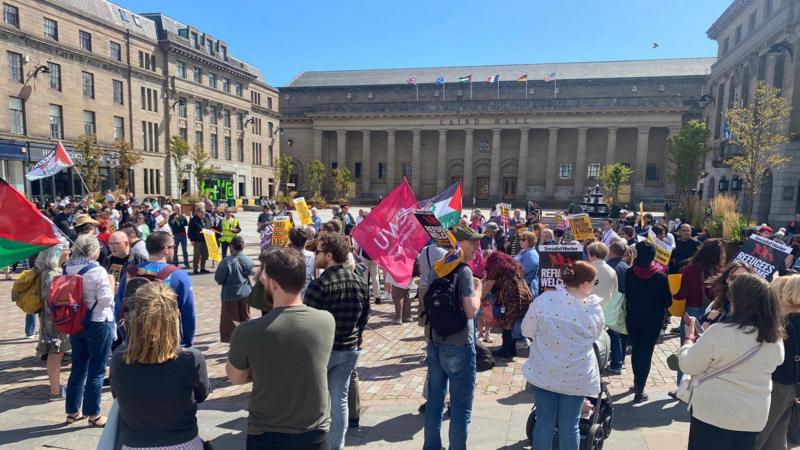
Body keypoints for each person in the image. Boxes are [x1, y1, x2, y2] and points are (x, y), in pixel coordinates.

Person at [227, 247, 335, 450]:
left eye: (264, 277)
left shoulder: (247, 331)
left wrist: (260, 369)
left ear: (273, 283)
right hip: (314, 432)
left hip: (266, 433)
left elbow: (237, 378)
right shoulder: (326, 321)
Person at [679, 274, 784, 449]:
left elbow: (688, 364)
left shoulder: (720, 332)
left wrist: (689, 339)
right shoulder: (774, 338)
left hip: (714, 413)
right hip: (752, 416)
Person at [111, 280, 209, 449]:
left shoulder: (119, 358)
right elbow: (201, 395)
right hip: (183, 443)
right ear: (176, 315)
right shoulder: (191, 359)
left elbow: (116, 395)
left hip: (136, 444)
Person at [522, 261, 604, 450]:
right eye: (595, 282)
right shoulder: (593, 309)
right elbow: (596, 336)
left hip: (545, 371)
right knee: (570, 424)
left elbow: (527, 330)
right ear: (584, 284)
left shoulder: (544, 300)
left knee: (544, 422)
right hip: (577, 374)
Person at [304, 232, 370, 450]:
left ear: (329, 255)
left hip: (323, 351)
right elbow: (364, 318)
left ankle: (318, 443)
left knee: (317, 401)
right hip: (349, 348)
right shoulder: (359, 282)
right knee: (339, 399)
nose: (316, 255)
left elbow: (307, 322)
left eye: (319, 252)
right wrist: (356, 341)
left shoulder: (319, 285)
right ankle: (336, 445)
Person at [424, 226, 482, 450]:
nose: (476, 247)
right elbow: (471, 311)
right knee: (460, 407)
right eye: (472, 242)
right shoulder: (463, 271)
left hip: (436, 342)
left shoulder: (438, 267)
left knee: (434, 402)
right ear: (459, 243)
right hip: (459, 345)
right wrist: (478, 289)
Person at [64, 235, 114, 427]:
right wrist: (111, 285)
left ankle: (72, 411)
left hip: (75, 322)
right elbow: (106, 300)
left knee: (78, 367)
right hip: (98, 322)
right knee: (97, 370)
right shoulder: (97, 270)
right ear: (93, 250)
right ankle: (94, 414)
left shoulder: (67, 268)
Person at [118, 232, 196, 348]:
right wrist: (187, 341)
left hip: (136, 339)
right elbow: (188, 312)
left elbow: (119, 308)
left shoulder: (129, 274)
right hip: (167, 340)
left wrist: (127, 337)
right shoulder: (179, 275)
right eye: (173, 247)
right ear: (166, 250)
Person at [755, 275, 800, 450]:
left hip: (777, 384)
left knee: (757, 436)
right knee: (777, 438)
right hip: (793, 386)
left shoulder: (783, 324)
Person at [673, 239, 725, 386]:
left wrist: (672, 292)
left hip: (691, 311)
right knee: (708, 349)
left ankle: (682, 386)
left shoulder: (689, 269)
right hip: (712, 313)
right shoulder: (721, 272)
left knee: (686, 347)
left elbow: (681, 294)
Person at [625, 241, 672, 402]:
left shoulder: (630, 273)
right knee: (646, 353)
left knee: (636, 350)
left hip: (633, 317)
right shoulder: (660, 276)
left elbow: (627, 294)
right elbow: (668, 301)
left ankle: (637, 382)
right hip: (653, 320)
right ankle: (640, 389)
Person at [34, 244, 71, 400]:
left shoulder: (50, 272)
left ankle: (55, 388)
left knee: (57, 353)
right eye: (66, 249)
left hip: (53, 319)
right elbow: (52, 299)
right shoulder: (52, 274)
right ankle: (55, 390)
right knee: (55, 353)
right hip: (55, 320)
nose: (69, 251)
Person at [483, 251, 533, 359]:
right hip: (525, 295)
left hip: (513, 297)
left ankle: (505, 350)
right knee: (512, 321)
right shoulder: (513, 266)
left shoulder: (496, 268)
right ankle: (512, 350)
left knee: (507, 322)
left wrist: (478, 297)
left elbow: (486, 289)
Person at [214, 236, 253, 343]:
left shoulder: (226, 261)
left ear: (231, 247)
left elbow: (219, 279)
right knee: (246, 319)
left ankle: (235, 344)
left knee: (231, 322)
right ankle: (247, 341)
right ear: (243, 246)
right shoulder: (249, 260)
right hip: (246, 293)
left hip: (230, 294)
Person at [606, 239, 630, 375]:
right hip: (625, 303)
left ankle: (616, 363)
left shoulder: (609, 267)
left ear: (611, 252)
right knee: (622, 333)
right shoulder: (627, 267)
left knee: (613, 333)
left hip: (612, 304)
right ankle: (621, 359)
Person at [289, 227, 316, 297]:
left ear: (291, 241)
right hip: (307, 297)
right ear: (306, 241)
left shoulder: (285, 256)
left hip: (289, 297)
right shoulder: (313, 256)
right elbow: (315, 276)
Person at [514, 231, 540, 297]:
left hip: (527, 289)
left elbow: (522, 271)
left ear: (530, 241)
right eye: (520, 239)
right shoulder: (523, 251)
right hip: (521, 287)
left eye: (523, 240)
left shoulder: (531, 255)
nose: (520, 241)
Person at [188, 203, 211, 275]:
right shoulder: (193, 220)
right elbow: (190, 231)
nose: (204, 214)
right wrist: (192, 239)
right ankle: (195, 268)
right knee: (197, 255)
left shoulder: (206, 219)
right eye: (202, 212)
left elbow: (209, 227)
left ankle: (202, 268)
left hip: (206, 240)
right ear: (198, 213)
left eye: (204, 212)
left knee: (205, 254)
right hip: (197, 240)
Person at [170, 204, 190, 268]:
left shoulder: (182, 215)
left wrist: (185, 218)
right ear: (174, 209)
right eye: (177, 208)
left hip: (183, 234)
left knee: (185, 250)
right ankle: (176, 263)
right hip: (175, 234)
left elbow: (186, 224)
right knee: (175, 250)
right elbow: (170, 224)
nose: (179, 209)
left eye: (180, 208)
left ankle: (186, 263)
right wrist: (174, 219)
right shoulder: (171, 216)